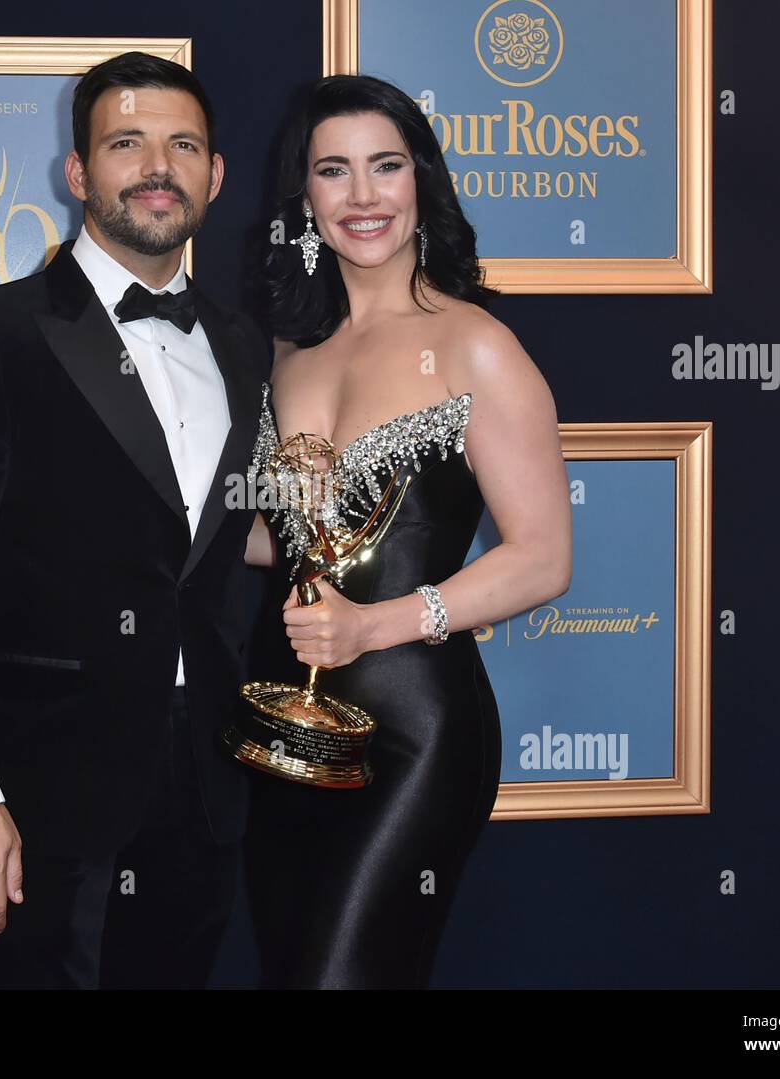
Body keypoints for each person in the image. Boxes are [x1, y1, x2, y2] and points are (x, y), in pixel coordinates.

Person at [0, 51, 269, 989]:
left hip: (211, 786)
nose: (156, 166)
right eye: (125, 142)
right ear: (79, 173)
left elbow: (235, 548)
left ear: (214, 174)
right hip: (40, 793)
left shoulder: (247, 345)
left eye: (183, 144)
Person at [240, 74, 572, 988]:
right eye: (333, 171)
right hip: (286, 734)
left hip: (416, 733)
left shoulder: (475, 344)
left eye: (385, 167)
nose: (362, 196)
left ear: (420, 180)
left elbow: (543, 558)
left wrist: (372, 626)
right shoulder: (283, 351)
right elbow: (287, 538)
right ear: (302, 197)